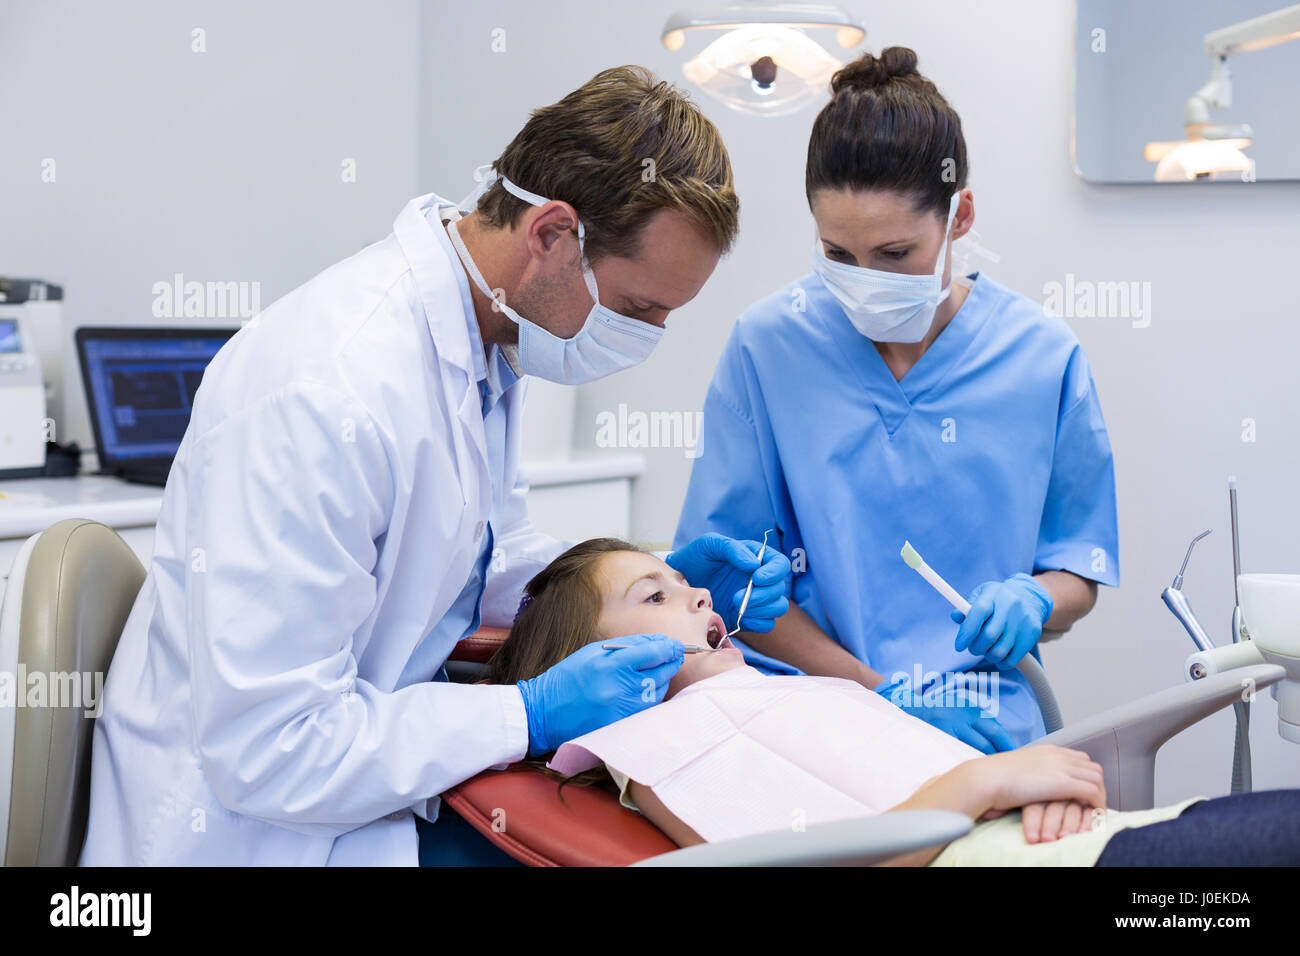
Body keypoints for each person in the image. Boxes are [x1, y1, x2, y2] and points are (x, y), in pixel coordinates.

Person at [78, 66, 790, 867]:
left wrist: (644, 582)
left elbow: (476, 554)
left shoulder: (490, 340)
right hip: (247, 825)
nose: (647, 337)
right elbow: (269, 750)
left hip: (364, 774)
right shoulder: (325, 392)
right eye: (638, 309)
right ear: (552, 234)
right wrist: (526, 715)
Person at [673, 47, 1120, 752]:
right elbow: (735, 587)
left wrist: (1035, 600)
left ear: (960, 215)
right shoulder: (769, 346)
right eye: (838, 256)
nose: (863, 282)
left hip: (978, 712)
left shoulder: (1042, 358)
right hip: (804, 703)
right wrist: (875, 696)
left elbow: (1077, 566)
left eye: (894, 254)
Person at [489, 539, 1300, 866]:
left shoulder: (764, 699)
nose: (700, 590)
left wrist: (1027, 786)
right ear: (597, 669)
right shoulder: (661, 742)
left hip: (1081, 846)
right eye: (655, 594)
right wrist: (988, 786)